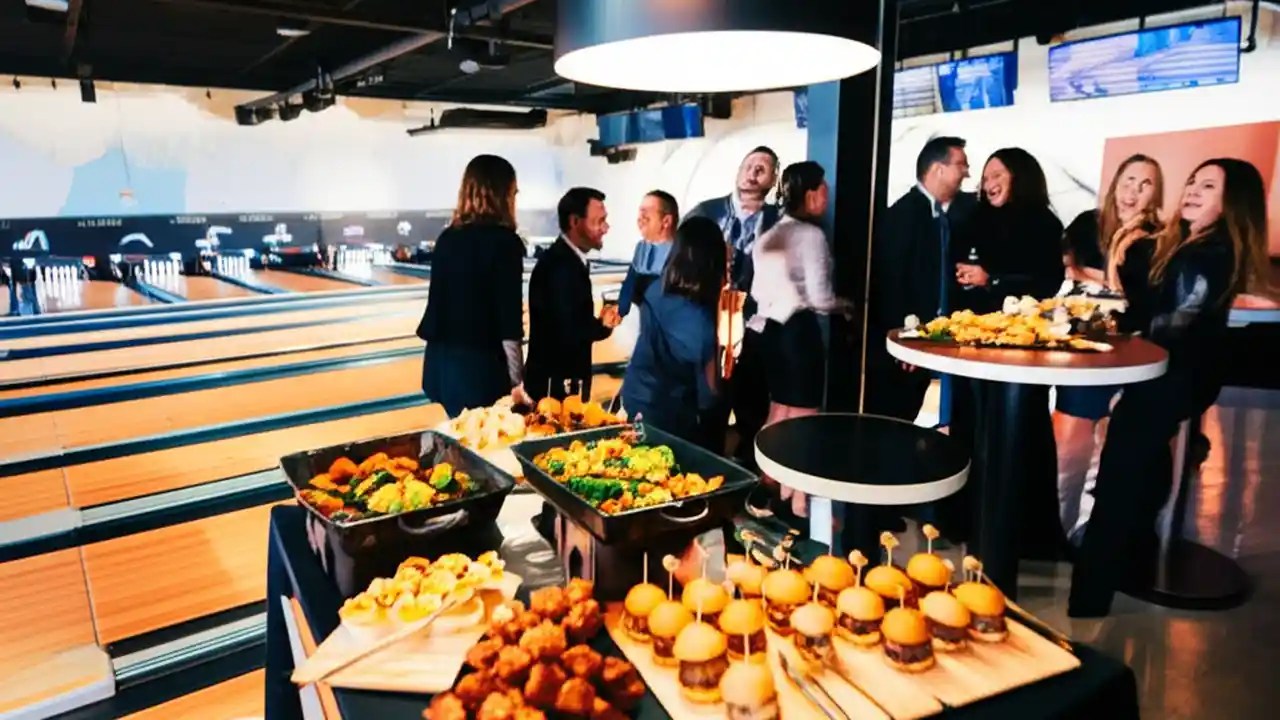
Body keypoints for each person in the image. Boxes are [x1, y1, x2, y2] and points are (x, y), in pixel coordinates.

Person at [1070, 158, 1271, 617]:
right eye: (1192, 181)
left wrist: (1123, 350)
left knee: (1118, 476)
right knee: (1142, 462)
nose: (1193, 191)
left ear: (1230, 204)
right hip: (1181, 378)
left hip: (1170, 378)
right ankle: (1132, 554)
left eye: (1208, 186)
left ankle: (1088, 599)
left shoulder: (1205, 253)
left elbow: (1168, 325)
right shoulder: (1194, 244)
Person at [950, 148, 1065, 553]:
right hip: (973, 344)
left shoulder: (1045, 225)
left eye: (997, 173)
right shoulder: (972, 218)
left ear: (1021, 176)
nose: (987, 182)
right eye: (984, 175)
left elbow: (1047, 282)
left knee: (1020, 432)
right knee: (972, 426)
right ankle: (968, 521)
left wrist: (992, 280)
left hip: (1020, 349)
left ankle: (1022, 533)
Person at [1055, 155, 1165, 541]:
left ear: (1156, 192)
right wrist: (1081, 272)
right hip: (1082, 343)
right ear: (1115, 182)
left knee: (1108, 441)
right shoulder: (1090, 222)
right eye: (1128, 180)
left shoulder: (1154, 238)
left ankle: (1088, 527)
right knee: (1070, 439)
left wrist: (1089, 275)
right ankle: (1061, 524)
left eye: (1145, 184)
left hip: (1124, 349)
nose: (1133, 191)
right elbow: (1064, 260)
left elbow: (1139, 296)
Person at [750, 161, 850, 517]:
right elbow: (822, 299)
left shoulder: (770, 234)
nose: (827, 196)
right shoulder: (811, 236)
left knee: (779, 412)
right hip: (798, 333)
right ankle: (800, 501)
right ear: (810, 194)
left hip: (769, 333)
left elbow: (759, 290)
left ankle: (768, 488)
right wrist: (848, 306)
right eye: (823, 189)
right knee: (805, 417)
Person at [865, 136, 975, 423]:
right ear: (938, 169)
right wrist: (905, 340)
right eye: (961, 164)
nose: (967, 172)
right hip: (902, 348)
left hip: (923, 340)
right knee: (891, 422)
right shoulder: (904, 215)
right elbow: (889, 283)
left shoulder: (938, 216)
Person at [684, 146, 782, 462]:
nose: (752, 173)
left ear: (773, 180)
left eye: (762, 169)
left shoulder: (780, 224)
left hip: (755, 335)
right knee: (708, 409)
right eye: (748, 165)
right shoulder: (704, 213)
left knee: (752, 411)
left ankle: (748, 479)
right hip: (707, 329)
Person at [416, 154, 526, 417]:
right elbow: (508, 323)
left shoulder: (447, 238)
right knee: (483, 448)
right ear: (504, 194)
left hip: (438, 366)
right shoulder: (505, 243)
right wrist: (518, 381)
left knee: (457, 439)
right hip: (478, 369)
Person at [621, 216, 725, 447]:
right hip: (670, 415)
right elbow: (709, 394)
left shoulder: (655, 289)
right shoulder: (699, 317)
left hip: (636, 396)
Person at [526, 187, 622, 402]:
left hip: (553, 383)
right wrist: (603, 325)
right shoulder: (562, 267)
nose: (606, 228)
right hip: (557, 388)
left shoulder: (563, 260)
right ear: (575, 222)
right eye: (599, 221)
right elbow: (570, 329)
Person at [617, 190, 678, 318]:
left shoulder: (681, 252)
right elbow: (629, 285)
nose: (640, 220)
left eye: (646, 215)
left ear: (666, 221)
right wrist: (619, 312)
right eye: (640, 214)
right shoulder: (641, 248)